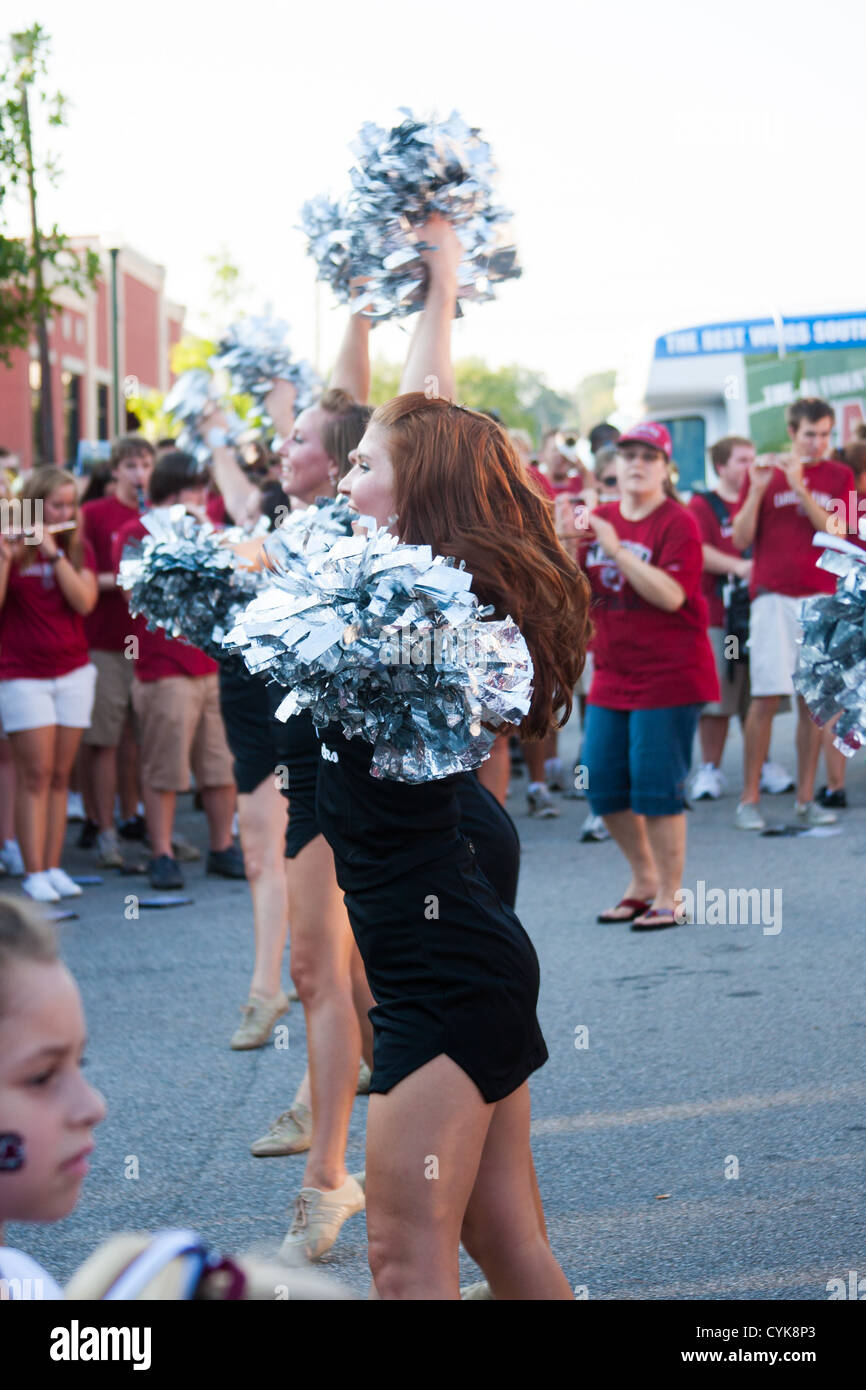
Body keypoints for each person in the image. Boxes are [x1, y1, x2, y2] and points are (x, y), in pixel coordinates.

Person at [323, 387, 586, 1300]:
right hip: (445, 962)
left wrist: (431, 285)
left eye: (362, 466)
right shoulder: (373, 605)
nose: (341, 479)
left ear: (417, 493)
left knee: (405, 1260)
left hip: (448, 976)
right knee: (505, 1243)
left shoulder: (431, 632)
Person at [570, 421, 718, 929]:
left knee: (656, 788)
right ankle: (643, 878)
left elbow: (672, 596)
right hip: (613, 670)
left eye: (648, 456)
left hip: (670, 673)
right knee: (603, 784)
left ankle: (671, 895)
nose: (636, 463)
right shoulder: (600, 516)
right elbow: (574, 586)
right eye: (628, 453)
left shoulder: (678, 522)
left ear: (666, 468)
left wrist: (614, 550)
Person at [113, 452, 244, 890]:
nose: (204, 497)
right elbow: (132, 589)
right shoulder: (137, 532)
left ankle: (223, 847)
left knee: (220, 766)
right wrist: (174, 534)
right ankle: (162, 852)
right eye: (195, 488)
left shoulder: (211, 529)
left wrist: (204, 531)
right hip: (163, 668)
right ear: (174, 491)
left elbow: (237, 575)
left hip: (212, 667)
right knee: (163, 769)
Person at [730, 398, 852, 829]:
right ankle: (749, 800)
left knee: (813, 706)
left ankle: (805, 799)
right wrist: (761, 487)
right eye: (809, 435)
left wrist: (800, 487)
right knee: (765, 696)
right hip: (772, 596)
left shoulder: (841, 475)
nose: (818, 443)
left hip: (821, 599)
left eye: (825, 434)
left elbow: (836, 532)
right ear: (792, 432)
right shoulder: (761, 472)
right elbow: (740, 538)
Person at [0, 468, 98, 904]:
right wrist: (7, 557)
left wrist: (54, 553)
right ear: (34, 505)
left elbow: (84, 601)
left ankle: (54, 866)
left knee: (60, 776)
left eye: (68, 505)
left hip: (73, 671)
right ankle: (33, 870)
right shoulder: (11, 549)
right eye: (54, 505)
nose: (63, 512)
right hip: (21, 674)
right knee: (34, 775)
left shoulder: (77, 548)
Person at [78, 437, 154, 867]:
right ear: (114, 470)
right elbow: (83, 575)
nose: (139, 473)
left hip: (146, 643)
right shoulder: (93, 514)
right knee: (103, 740)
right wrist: (129, 577)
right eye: (130, 464)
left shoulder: (156, 513)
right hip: (104, 642)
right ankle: (103, 827)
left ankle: (132, 817)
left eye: (145, 463)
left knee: (137, 741)